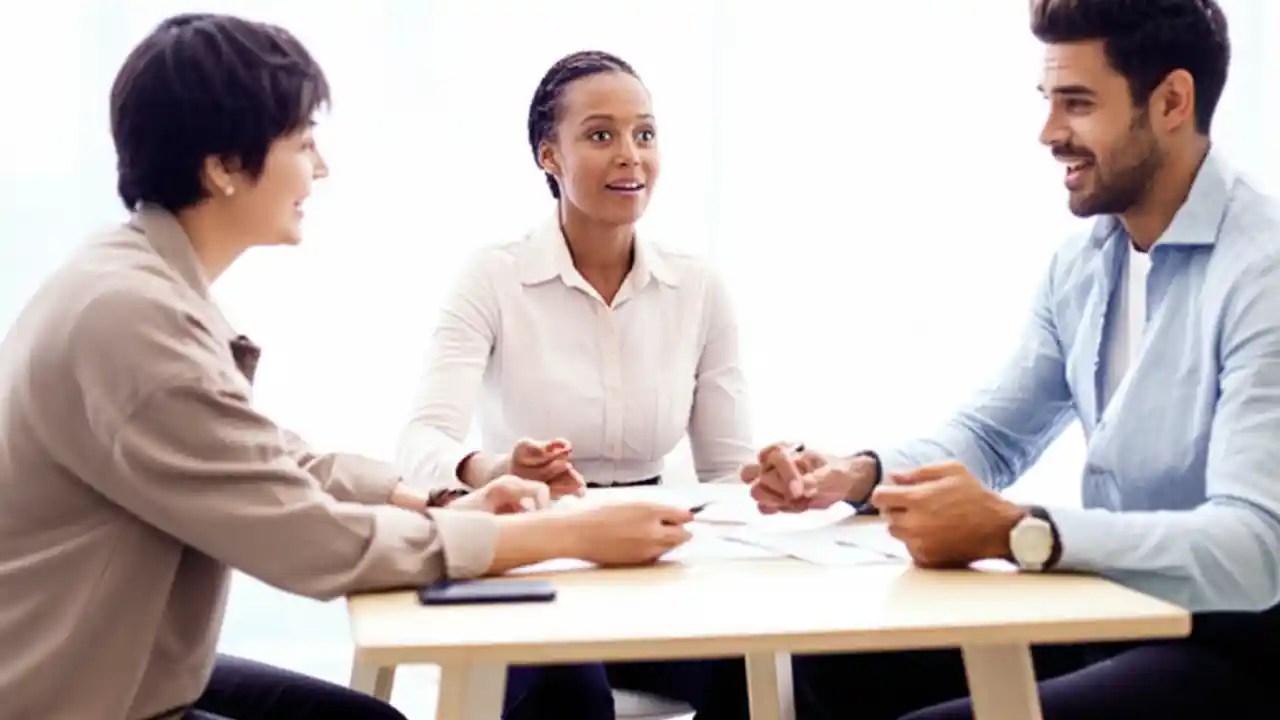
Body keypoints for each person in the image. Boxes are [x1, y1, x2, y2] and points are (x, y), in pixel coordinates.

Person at [0, 15, 696, 720]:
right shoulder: (130, 318)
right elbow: (310, 542)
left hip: (121, 663)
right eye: (303, 144)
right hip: (70, 694)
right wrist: (564, 534)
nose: (321, 169)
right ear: (222, 167)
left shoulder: (137, 285)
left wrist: (432, 501)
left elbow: (268, 462)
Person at [743, 1, 1277, 718]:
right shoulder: (1087, 262)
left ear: (1172, 101)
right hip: (1111, 611)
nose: (1050, 133)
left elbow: (1252, 551)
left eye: (1078, 103)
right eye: (1050, 101)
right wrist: (855, 474)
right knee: (802, 671)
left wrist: (1017, 530)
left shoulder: (1262, 274)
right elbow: (994, 436)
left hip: (1238, 646)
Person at [396, 50, 753, 720]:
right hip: (532, 563)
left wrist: (774, 483)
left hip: (657, 564)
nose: (630, 155)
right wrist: (495, 466)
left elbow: (730, 476)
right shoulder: (493, 277)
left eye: (644, 134)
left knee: (767, 672)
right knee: (569, 694)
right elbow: (418, 443)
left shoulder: (698, 285)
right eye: (600, 135)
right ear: (548, 157)